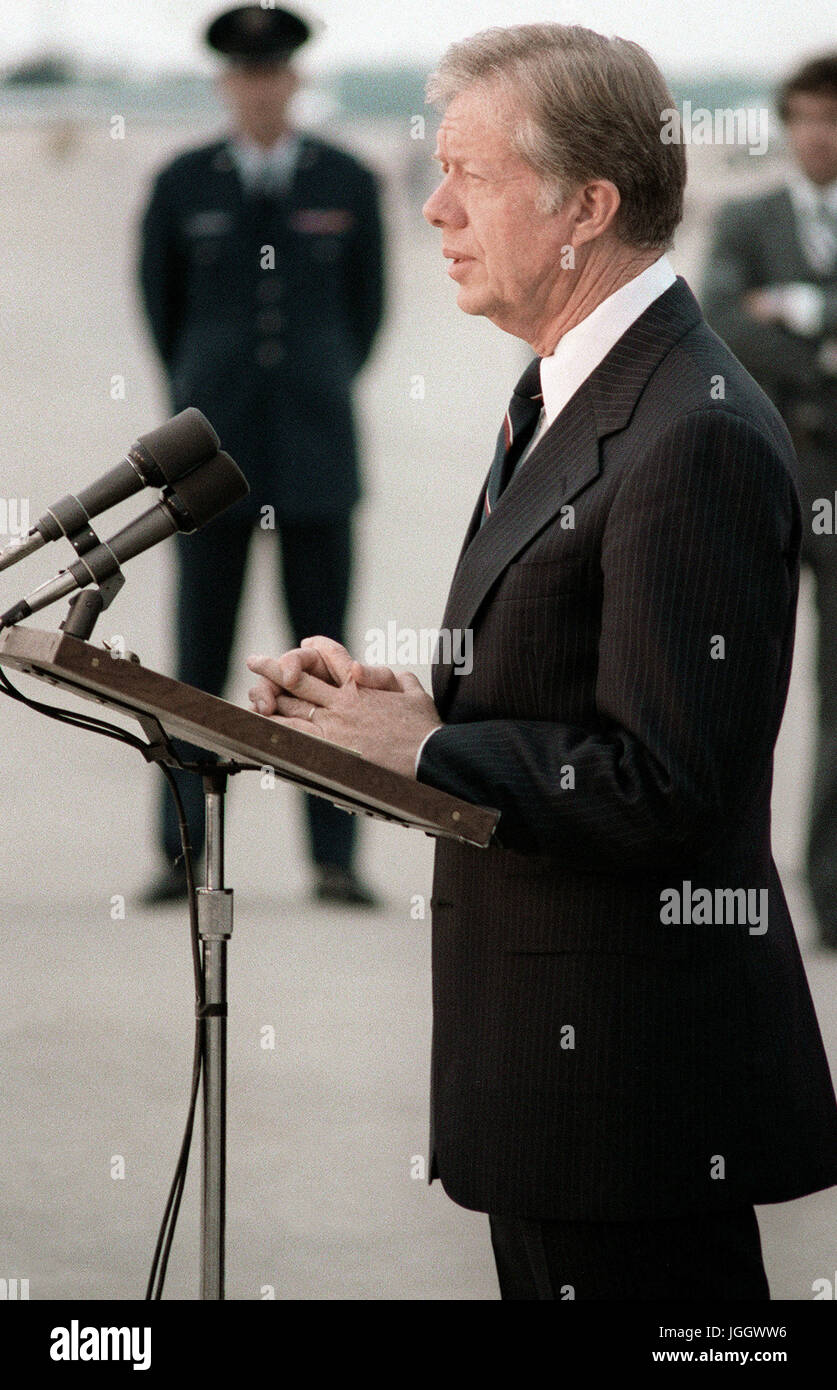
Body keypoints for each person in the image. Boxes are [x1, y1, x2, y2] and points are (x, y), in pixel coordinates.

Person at [246, 24, 837, 1300]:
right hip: (560, 1080)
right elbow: (585, 694)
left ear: (588, 206)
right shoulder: (577, 382)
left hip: (633, 1094)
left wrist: (433, 752)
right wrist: (414, 712)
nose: (436, 206)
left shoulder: (694, 435)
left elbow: (665, 786)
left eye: (469, 172)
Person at [138, 4, 385, 906]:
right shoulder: (182, 182)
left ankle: (334, 856)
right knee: (196, 655)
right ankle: (180, 850)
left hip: (317, 455)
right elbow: (162, 313)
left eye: (273, 72)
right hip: (208, 464)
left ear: (293, 79)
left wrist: (315, 385)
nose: (259, 87)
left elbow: (365, 316)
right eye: (245, 75)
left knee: (326, 667)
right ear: (225, 83)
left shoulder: (347, 181)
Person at [701, 54, 837, 950]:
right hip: (768, 468)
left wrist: (796, 306)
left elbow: (760, 317)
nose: (817, 134)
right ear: (785, 124)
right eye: (804, 117)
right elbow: (722, 321)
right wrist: (823, 349)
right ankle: (713, 880)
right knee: (724, 681)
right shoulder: (746, 216)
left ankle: (829, 889)